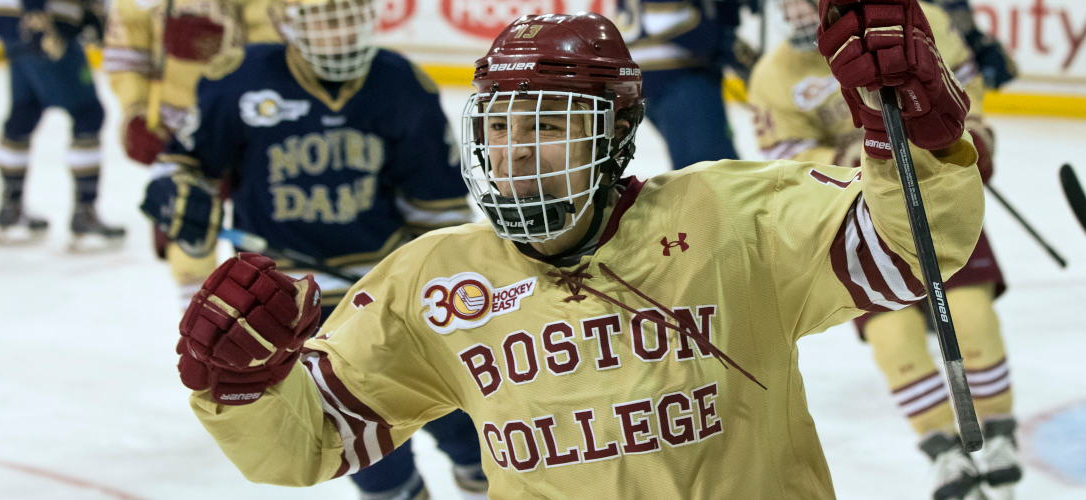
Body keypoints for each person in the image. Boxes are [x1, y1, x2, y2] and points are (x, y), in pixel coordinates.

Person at [168, 4, 985, 498]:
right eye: (503, 127)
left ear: (619, 134)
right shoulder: (434, 280)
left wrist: (911, 132)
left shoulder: (733, 217)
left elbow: (909, 249)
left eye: (552, 123)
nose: (518, 151)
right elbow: (316, 438)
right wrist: (240, 391)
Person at [137, 0, 486, 498]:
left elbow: (439, 208)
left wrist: (441, 284)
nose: (340, 33)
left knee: (463, 423)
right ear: (286, 23)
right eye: (324, 18)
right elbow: (189, 160)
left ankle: (478, 473)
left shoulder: (402, 84)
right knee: (365, 448)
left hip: (385, 294)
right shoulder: (241, 79)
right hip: (291, 305)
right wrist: (178, 188)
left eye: (349, 17)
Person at [747, 1, 1021, 498]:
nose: (794, 11)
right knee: (893, 338)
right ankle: (942, 447)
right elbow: (784, 155)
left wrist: (970, 129)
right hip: (858, 212)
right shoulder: (773, 74)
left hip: (939, 193)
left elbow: (960, 75)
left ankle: (1000, 433)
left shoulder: (914, 16)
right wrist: (842, 158)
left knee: (971, 314)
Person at [104, 0, 283, 290]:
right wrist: (135, 109)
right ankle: (198, 331)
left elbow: (280, 49)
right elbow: (127, 52)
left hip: (253, 134)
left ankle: (267, 321)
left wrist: (236, 52)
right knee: (189, 239)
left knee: (265, 253)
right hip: (181, 139)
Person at [0, 0, 125, 249]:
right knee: (88, 114)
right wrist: (36, 15)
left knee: (23, 114)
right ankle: (84, 212)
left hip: (14, 23)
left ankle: (10, 208)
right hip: (46, 21)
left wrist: (89, 13)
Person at [612, 0, 753, 168]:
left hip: (662, 76)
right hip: (679, 75)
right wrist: (726, 44)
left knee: (708, 172)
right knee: (711, 175)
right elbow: (665, 18)